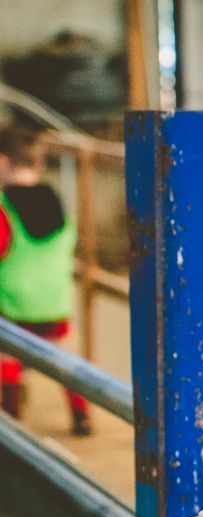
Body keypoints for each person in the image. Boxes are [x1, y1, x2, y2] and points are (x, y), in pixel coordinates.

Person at [0, 126, 91, 435]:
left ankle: (11, 420)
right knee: (60, 359)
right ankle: (81, 415)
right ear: (38, 164)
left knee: (8, 358)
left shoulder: (4, 207)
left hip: (12, 305)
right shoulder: (57, 202)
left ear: (4, 162)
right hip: (53, 302)